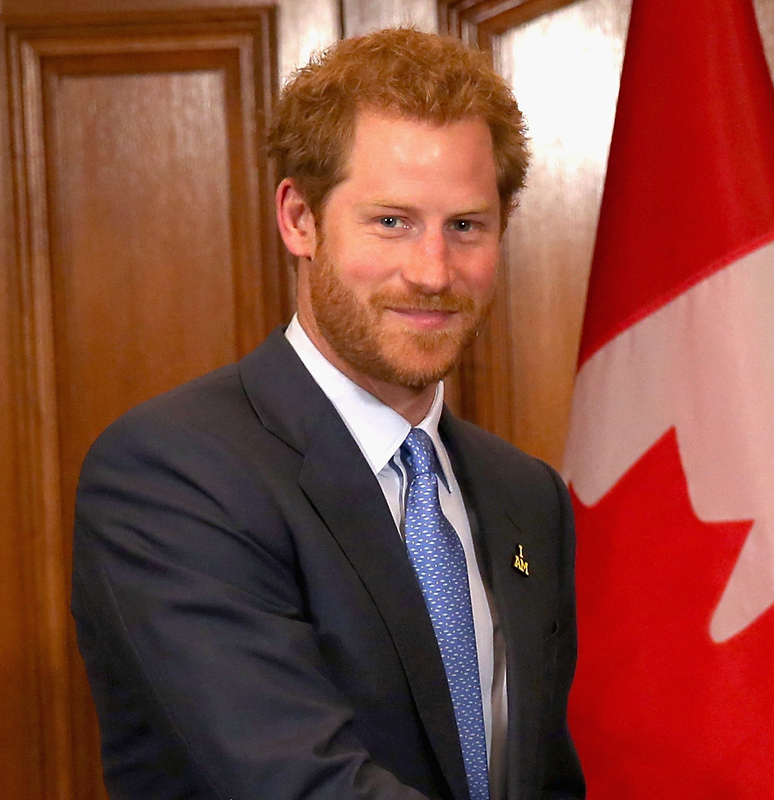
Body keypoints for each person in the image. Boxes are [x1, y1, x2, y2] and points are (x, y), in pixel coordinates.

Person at [71, 29, 583, 800]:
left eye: (466, 227)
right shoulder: (171, 474)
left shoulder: (527, 496)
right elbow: (296, 783)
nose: (433, 272)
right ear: (299, 220)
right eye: (392, 222)